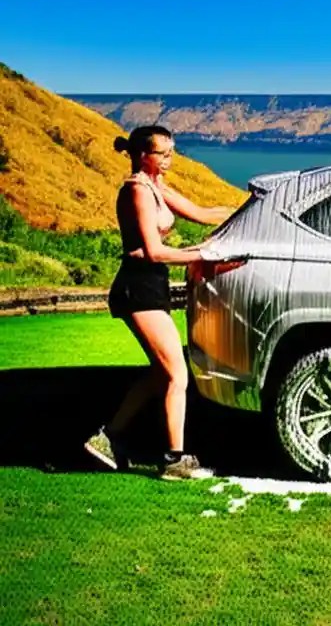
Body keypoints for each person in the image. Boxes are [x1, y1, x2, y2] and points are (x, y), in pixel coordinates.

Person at [83, 125, 236, 480]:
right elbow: (152, 251)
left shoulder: (157, 187)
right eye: (162, 153)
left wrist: (249, 208)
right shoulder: (137, 191)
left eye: (171, 152)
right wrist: (204, 254)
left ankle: (108, 438)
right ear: (142, 155)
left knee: (159, 374)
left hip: (152, 288)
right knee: (177, 374)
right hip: (138, 289)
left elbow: (202, 212)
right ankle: (173, 460)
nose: (169, 159)